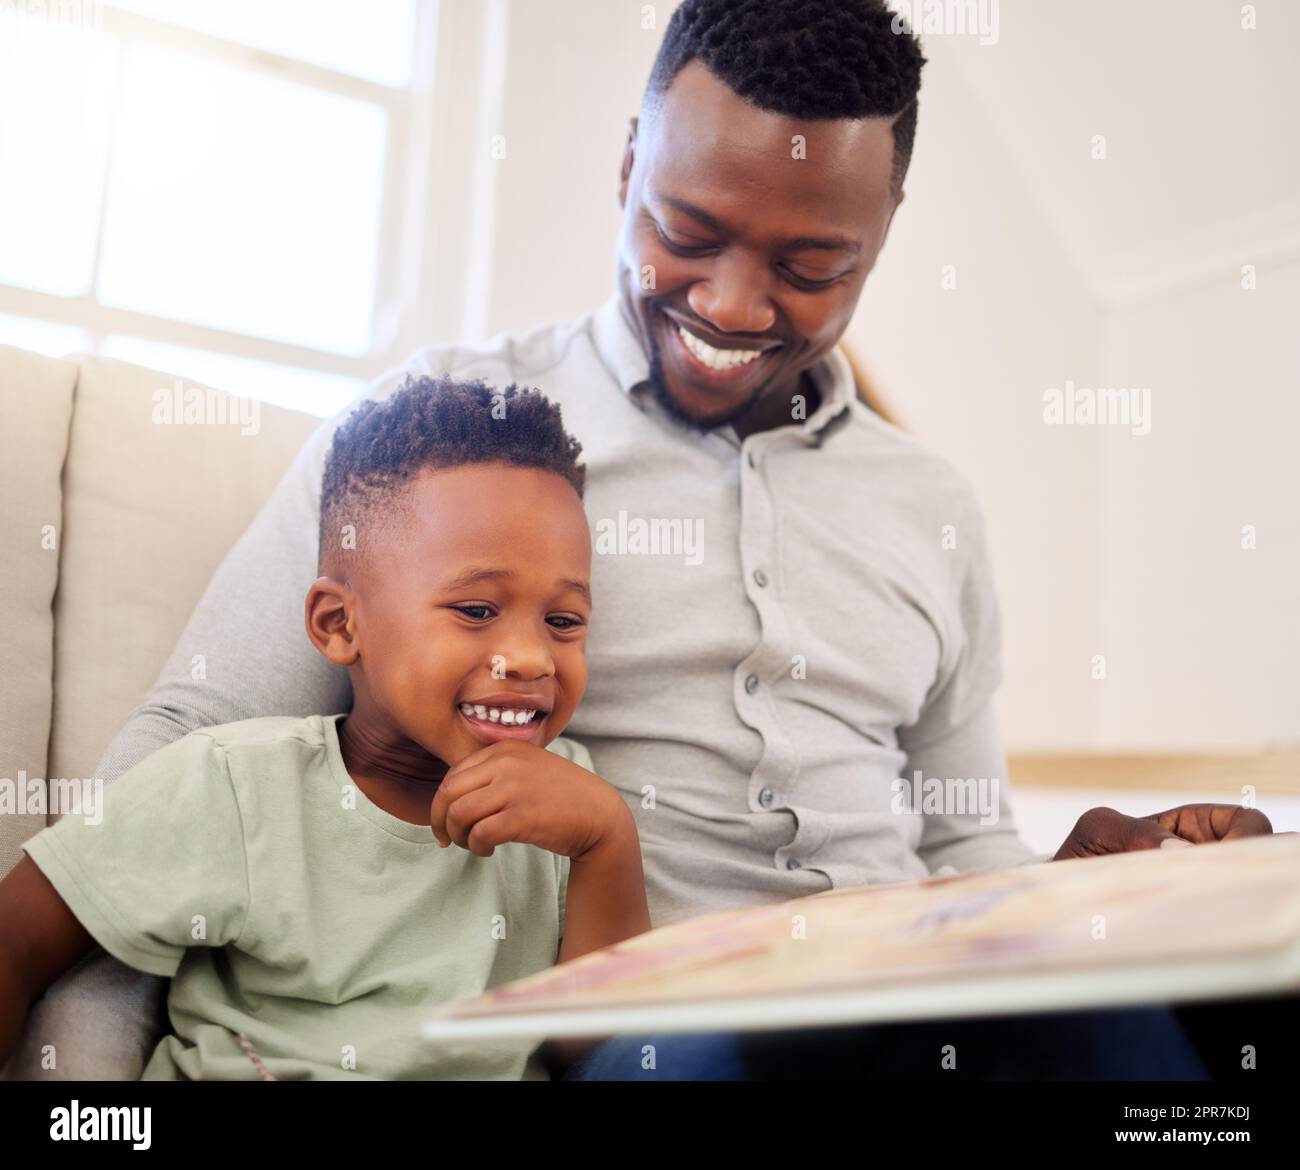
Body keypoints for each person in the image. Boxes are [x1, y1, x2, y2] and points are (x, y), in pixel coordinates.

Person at [8, 0, 1274, 1080]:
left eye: (810, 263)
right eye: (686, 232)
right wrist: (83, 1087)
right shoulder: (462, 452)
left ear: (885, 225)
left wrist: (1086, 875)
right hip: (663, 1020)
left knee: (1148, 1012)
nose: (729, 304)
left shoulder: (931, 504)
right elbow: (186, 755)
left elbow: (959, 844)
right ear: (627, 165)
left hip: (919, 982)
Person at [0, 377, 649, 1079]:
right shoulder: (239, 787)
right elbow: (16, 937)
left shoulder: (573, 809)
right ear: (340, 625)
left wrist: (606, 842)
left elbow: (598, 1049)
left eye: (563, 623)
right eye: (476, 610)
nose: (529, 658)